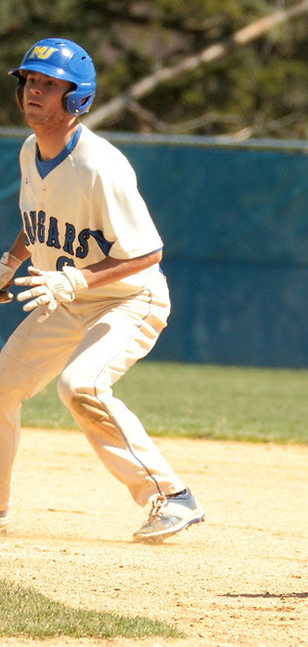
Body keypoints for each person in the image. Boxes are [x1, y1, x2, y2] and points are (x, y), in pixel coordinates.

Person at [0, 38, 204, 543]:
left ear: (77, 99)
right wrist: (10, 261)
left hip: (129, 298)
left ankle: (172, 496)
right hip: (66, 298)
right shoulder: (31, 151)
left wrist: (76, 277)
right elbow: (41, 219)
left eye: (49, 85)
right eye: (29, 81)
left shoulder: (100, 166)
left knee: (81, 386)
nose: (34, 92)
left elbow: (148, 252)